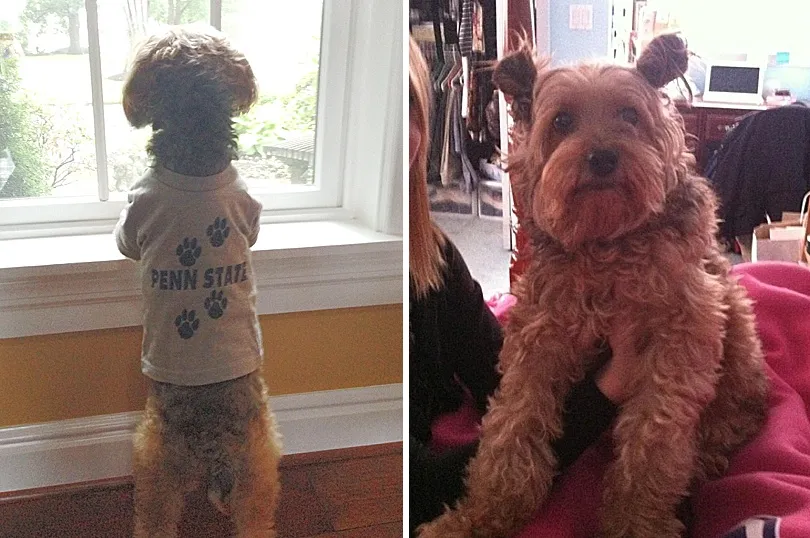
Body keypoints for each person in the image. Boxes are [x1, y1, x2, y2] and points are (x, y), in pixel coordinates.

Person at [408, 36, 634, 536]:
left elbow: (497, 366)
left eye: (406, 105)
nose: (399, 134)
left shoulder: (435, 254)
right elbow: (415, 488)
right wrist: (613, 382)